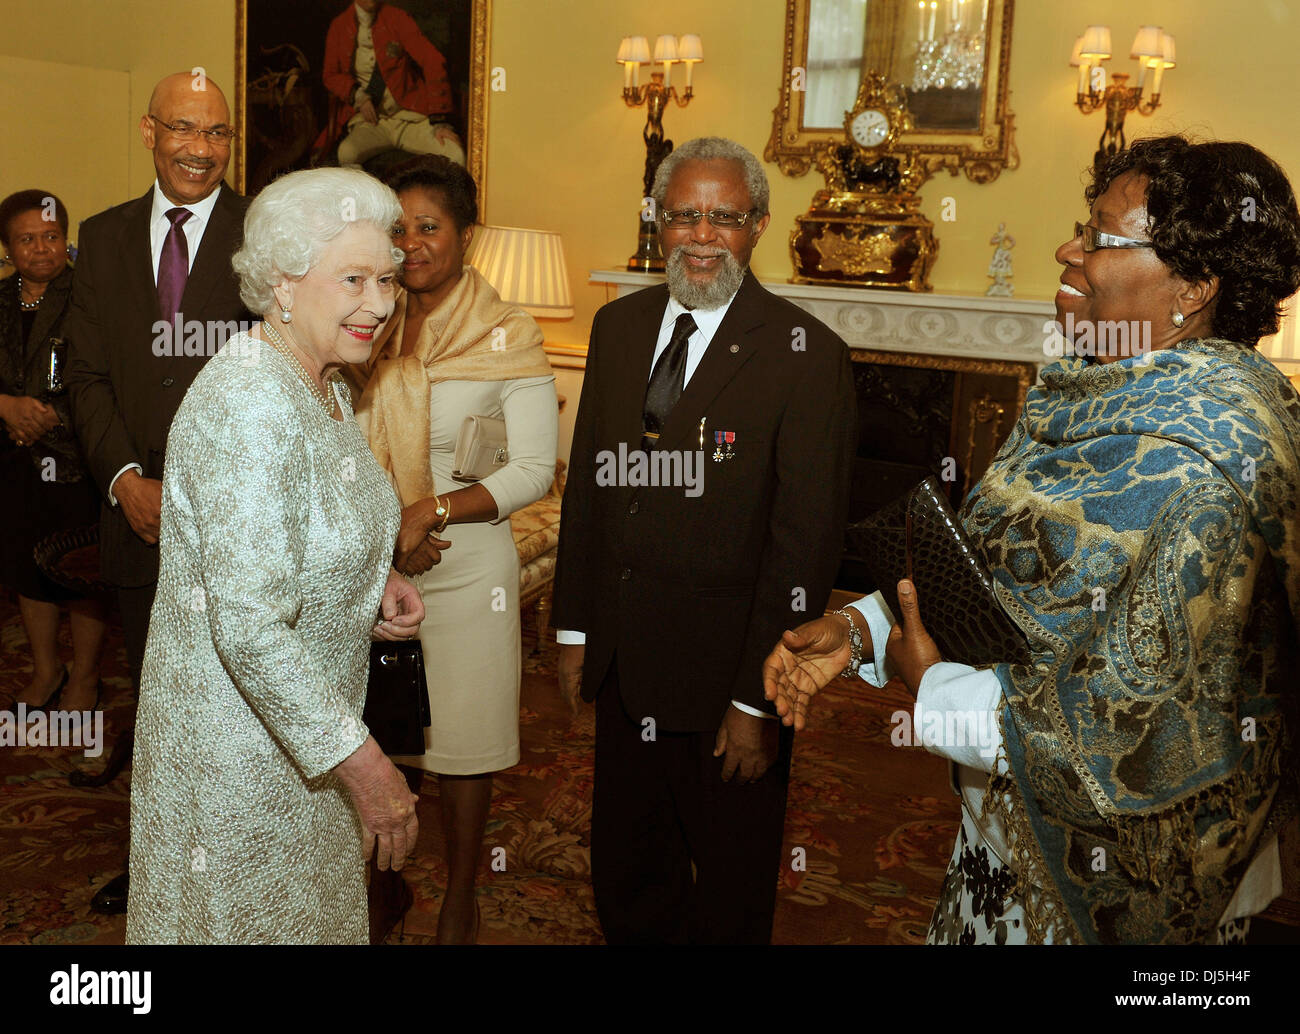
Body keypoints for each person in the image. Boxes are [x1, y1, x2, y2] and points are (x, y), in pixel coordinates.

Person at [763, 136, 1300, 945]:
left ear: (1192, 286)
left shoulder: (1213, 465)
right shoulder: (1092, 398)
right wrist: (862, 627)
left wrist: (933, 687)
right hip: (1007, 836)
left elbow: (1125, 738)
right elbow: (996, 566)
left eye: (1100, 238)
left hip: (1113, 890)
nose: (1067, 250)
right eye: (1080, 228)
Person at [552, 137, 858, 944]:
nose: (701, 235)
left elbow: (806, 546)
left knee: (728, 888)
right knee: (627, 871)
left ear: (758, 224)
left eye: (724, 217)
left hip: (730, 674)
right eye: (683, 214)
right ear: (657, 220)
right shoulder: (617, 328)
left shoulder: (807, 356)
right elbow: (589, 486)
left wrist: (757, 698)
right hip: (623, 665)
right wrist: (577, 627)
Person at [125, 167, 424, 944]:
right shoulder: (248, 402)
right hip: (238, 760)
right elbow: (250, 626)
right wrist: (369, 769)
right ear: (282, 285)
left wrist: (370, 579)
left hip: (302, 743)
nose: (381, 303)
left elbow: (308, 524)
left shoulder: (322, 385)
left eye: (388, 279)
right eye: (353, 278)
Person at [351, 154, 557, 944]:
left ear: (465, 235)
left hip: (468, 567)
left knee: (464, 746)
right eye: (396, 228)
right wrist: (383, 531)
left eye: (429, 226)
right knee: (375, 734)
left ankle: (462, 894)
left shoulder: (509, 332)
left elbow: (534, 469)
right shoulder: (364, 315)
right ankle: (380, 886)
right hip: (369, 564)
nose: (410, 244)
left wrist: (428, 512)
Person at [63, 71, 251, 915]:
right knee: (158, 702)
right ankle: (160, 867)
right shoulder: (99, 239)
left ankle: (241, 873)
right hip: (134, 517)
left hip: (237, 523)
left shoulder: (263, 235)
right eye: (183, 129)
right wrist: (123, 481)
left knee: (240, 710)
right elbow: (90, 378)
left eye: (216, 134)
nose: (200, 150)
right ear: (149, 132)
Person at [0, 190, 106, 712]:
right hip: (13, 458)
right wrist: (7, 408)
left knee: (79, 571)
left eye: (51, 237)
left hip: (77, 459)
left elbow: (105, 378)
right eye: (27, 239)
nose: (41, 249)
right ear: (7, 247)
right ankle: (46, 670)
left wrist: (46, 421)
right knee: (26, 569)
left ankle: (85, 677)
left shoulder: (90, 296)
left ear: (66, 240)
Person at [317, 0, 464, 168]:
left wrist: (440, 121)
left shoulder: (397, 18)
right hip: (372, 122)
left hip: (409, 117)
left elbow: (433, 61)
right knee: (347, 153)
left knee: (455, 154)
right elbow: (330, 75)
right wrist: (358, 95)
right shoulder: (339, 26)